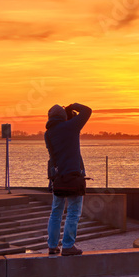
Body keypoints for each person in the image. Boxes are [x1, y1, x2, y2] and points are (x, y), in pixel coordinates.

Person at [45, 102, 92, 256]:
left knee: (56, 212)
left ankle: (52, 246)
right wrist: (73, 106)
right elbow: (87, 111)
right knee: (73, 212)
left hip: (58, 178)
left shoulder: (49, 134)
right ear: (64, 116)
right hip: (73, 177)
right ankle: (68, 246)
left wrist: (68, 114)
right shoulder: (71, 127)